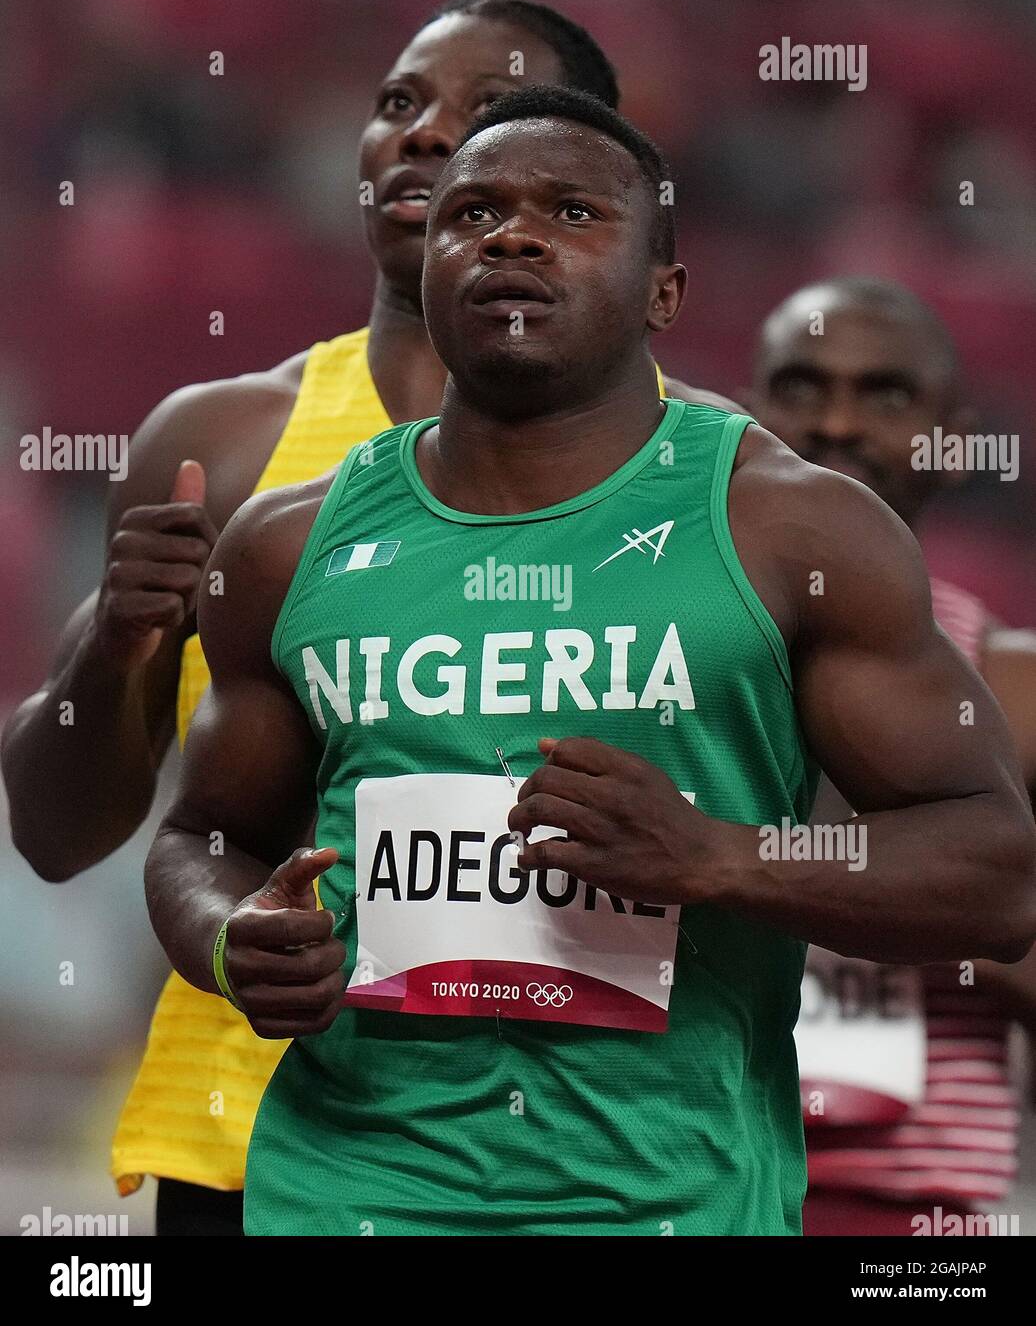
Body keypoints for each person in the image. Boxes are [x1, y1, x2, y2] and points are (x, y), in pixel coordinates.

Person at [144, 87, 1035, 1235]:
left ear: (665, 291)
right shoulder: (285, 543)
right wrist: (229, 932)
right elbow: (197, 838)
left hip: (668, 1205)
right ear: (425, 272)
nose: (510, 236)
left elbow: (997, 869)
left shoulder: (794, 531)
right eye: (472, 215)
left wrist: (721, 857)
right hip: (344, 1194)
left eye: (570, 212)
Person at [2, 0, 729, 1237]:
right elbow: (60, 836)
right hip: (246, 1137)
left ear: (588, 166)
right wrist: (115, 641)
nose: (422, 139)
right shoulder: (221, 446)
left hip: (600, 1166)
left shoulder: (715, 484)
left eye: (482, 113)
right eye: (398, 106)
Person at [747, 277, 1036, 1235]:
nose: (835, 422)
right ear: (746, 416)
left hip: (908, 1218)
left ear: (955, 438)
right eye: (800, 386)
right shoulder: (648, 660)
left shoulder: (1019, 689)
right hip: (666, 1181)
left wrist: (929, 893)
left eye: (886, 396)